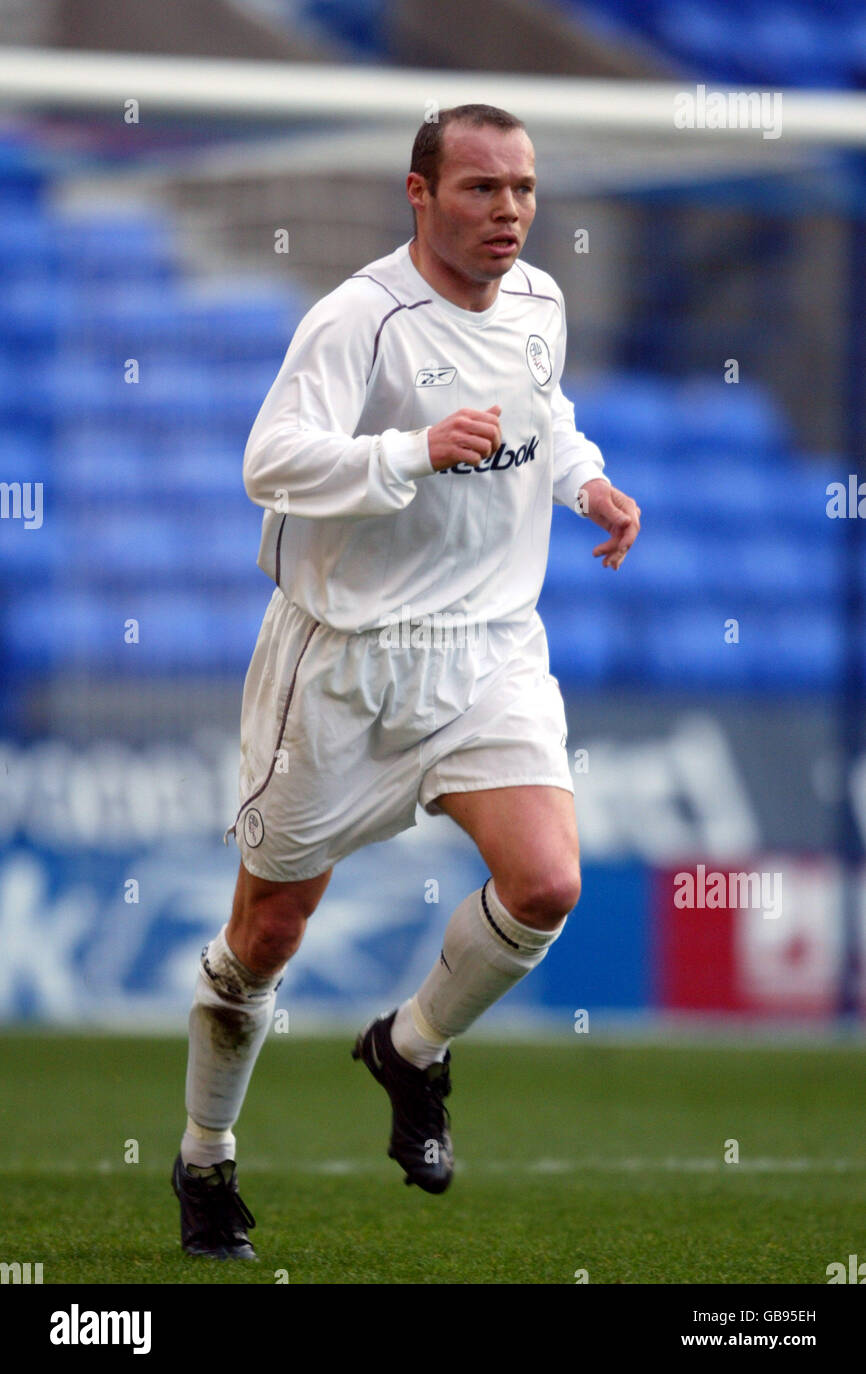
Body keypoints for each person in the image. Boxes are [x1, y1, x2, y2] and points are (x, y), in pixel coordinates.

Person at [172, 102, 641, 1259]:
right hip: (344, 664)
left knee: (543, 883)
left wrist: (586, 482)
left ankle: (411, 1047)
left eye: (523, 189)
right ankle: (203, 1157)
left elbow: (549, 413)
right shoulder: (359, 321)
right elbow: (267, 461)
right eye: (481, 189)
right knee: (268, 932)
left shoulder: (540, 301)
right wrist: (410, 450)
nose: (509, 212)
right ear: (418, 194)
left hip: (488, 649)